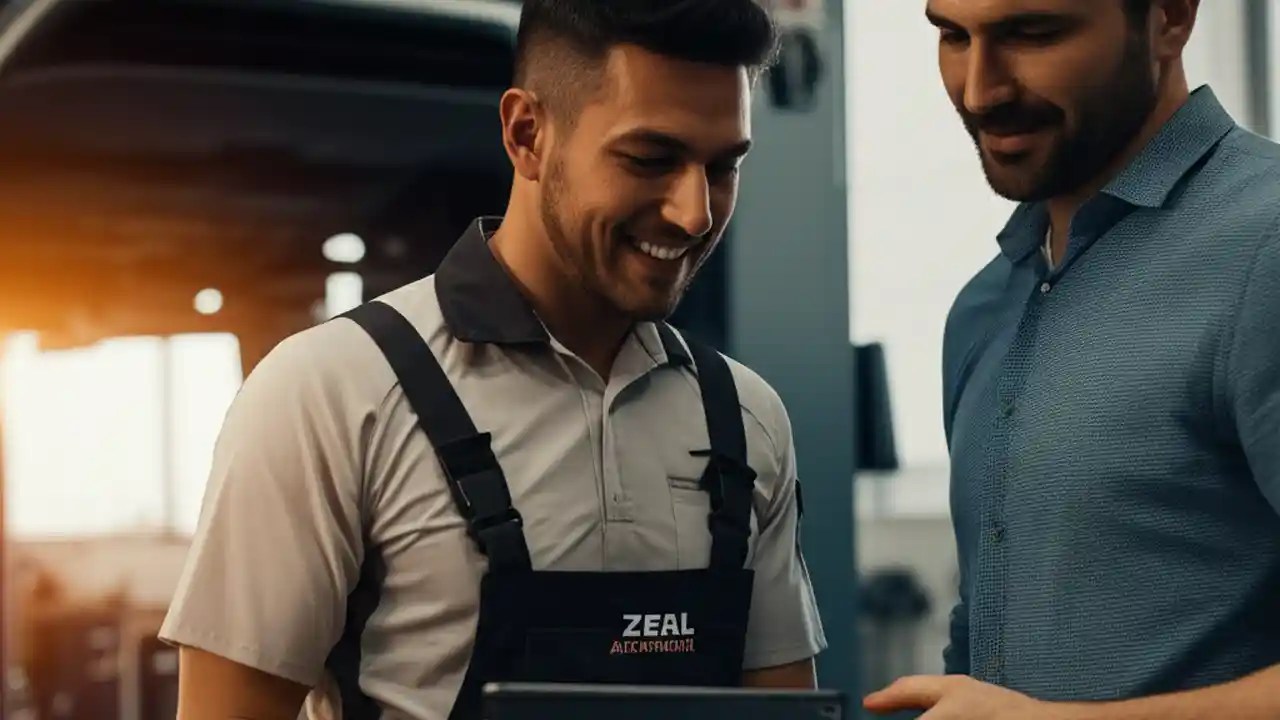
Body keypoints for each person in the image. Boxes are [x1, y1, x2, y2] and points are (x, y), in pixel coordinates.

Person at [159, 1, 828, 719]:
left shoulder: (745, 418)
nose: (694, 212)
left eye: (723, 166)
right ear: (527, 134)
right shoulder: (329, 393)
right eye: (650, 160)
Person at [864, 0, 1280, 717]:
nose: (979, 90)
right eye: (953, 36)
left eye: (1033, 33)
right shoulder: (983, 308)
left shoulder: (1264, 246)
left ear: (1171, 18)